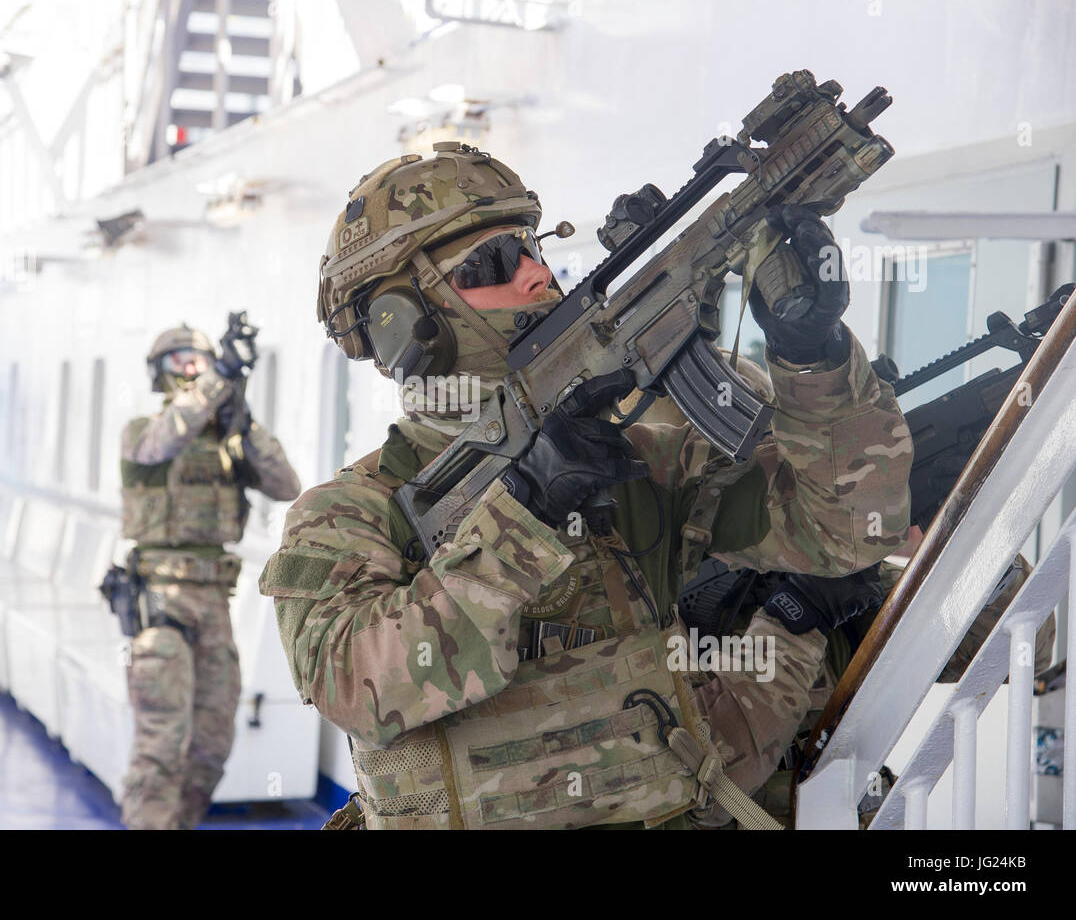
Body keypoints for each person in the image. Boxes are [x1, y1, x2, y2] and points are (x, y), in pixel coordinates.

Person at [259, 143, 913, 830]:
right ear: (402, 323)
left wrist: (813, 357)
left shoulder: (637, 461)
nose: (539, 274)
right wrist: (525, 512)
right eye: (497, 262)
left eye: (532, 248)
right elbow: (354, 682)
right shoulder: (348, 512)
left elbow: (847, 530)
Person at [118, 323, 300, 830]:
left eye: (197, 359)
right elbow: (163, 441)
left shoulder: (229, 441)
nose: (190, 369)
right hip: (163, 602)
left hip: (215, 602)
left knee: (212, 744)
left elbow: (287, 485)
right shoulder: (141, 432)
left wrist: (246, 425)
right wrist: (218, 379)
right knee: (160, 743)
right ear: (160, 373)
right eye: (178, 361)